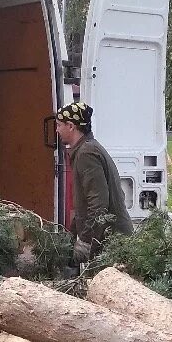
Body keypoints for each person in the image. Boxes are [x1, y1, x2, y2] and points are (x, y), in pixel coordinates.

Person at [54, 100, 133, 261]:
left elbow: (98, 203)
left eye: (59, 125)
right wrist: (72, 234)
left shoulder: (86, 153)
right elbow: (85, 203)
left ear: (71, 126)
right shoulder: (87, 149)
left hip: (111, 244)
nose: (57, 130)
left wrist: (85, 241)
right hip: (106, 240)